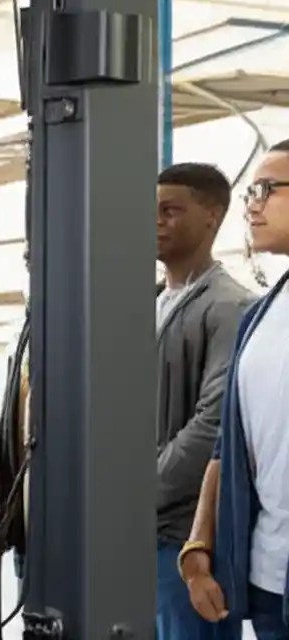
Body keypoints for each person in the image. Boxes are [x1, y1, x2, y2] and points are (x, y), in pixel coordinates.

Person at [183, 141, 289, 640]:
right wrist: (198, 545)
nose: (252, 205)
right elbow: (227, 447)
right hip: (268, 585)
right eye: (251, 192)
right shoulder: (259, 318)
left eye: (268, 189)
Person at [152, 163, 253, 639]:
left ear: (212, 215)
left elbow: (214, 423)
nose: (155, 222)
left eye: (169, 210)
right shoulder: (147, 304)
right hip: (138, 531)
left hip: (186, 542)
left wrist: (136, 494)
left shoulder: (230, 306)